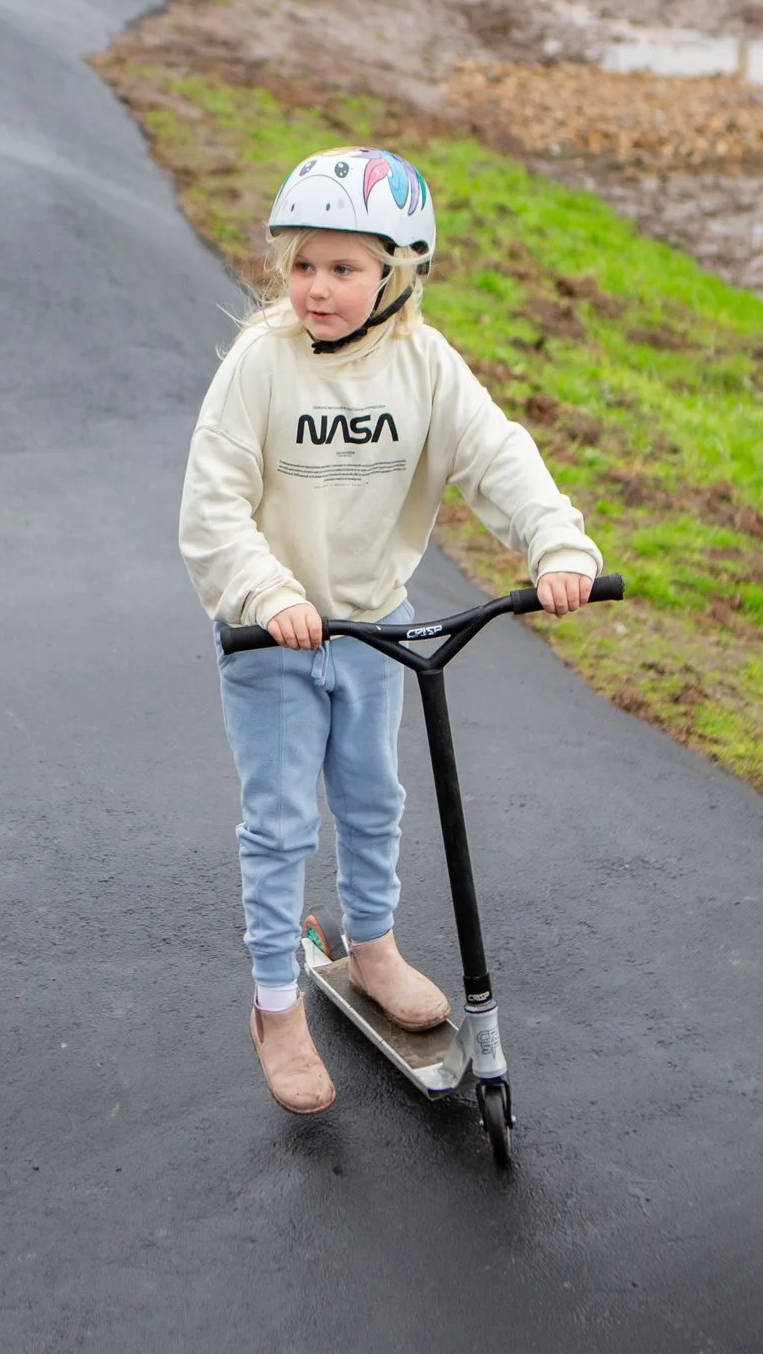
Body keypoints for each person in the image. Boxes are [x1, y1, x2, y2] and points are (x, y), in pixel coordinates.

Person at [178, 146, 602, 1114]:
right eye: (301, 264)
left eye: (341, 267)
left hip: (376, 629)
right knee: (281, 821)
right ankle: (276, 1003)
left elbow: (496, 455)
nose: (314, 287)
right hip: (273, 638)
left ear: (396, 274)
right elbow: (209, 512)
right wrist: (264, 592)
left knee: (374, 797)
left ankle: (371, 945)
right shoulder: (260, 366)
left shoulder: (422, 366)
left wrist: (554, 544)